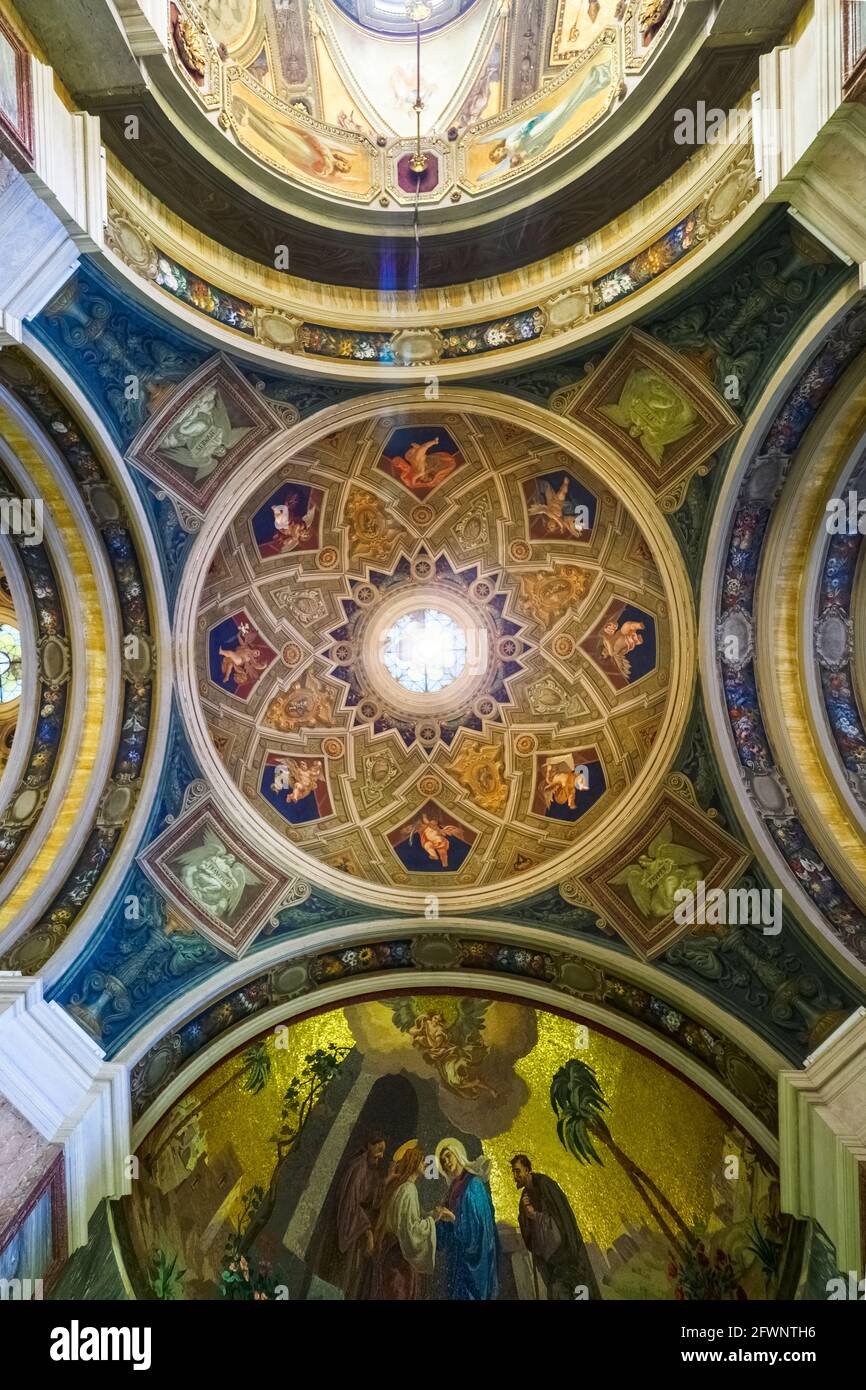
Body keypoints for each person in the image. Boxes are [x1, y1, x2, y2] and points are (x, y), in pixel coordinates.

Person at [511, 1153, 600, 1300]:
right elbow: (529, 1235)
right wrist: (525, 1215)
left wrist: (534, 1215)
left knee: (580, 1294)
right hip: (552, 1264)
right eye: (514, 1172)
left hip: (567, 1259)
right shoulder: (525, 1197)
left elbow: (560, 1223)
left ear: (527, 1170)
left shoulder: (546, 1186)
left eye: (517, 1170)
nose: (515, 1176)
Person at [434, 1138, 499, 1300]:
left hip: (473, 1262)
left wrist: (453, 1219)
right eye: (442, 1161)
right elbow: (444, 1235)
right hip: (456, 1260)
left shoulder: (474, 1184)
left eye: (448, 1156)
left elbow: (479, 1229)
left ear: (457, 1154)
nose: (446, 1162)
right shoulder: (450, 1192)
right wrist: (434, 1221)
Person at [373, 1141, 436, 1300]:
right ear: (414, 1162)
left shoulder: (402, 1188)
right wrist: (432, 1220)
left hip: (393, 1254)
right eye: (422, 1160)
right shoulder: (408, 1190)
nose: (425, 1163)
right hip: (399, 1258)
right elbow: (411, 1231)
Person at [331, 1134, 386, 1298]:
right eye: (379, 1149)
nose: (381, 1156)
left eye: (383, 1152)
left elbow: (373, 1199)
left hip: (359, 1231)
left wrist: (387, 1179)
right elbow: (350, 1204)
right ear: (369, 1145)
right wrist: (368, 1231)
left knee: (356, 1278)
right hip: (354, 1231)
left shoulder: (370, 1170)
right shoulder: (358, 1168)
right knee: (347, 1277)